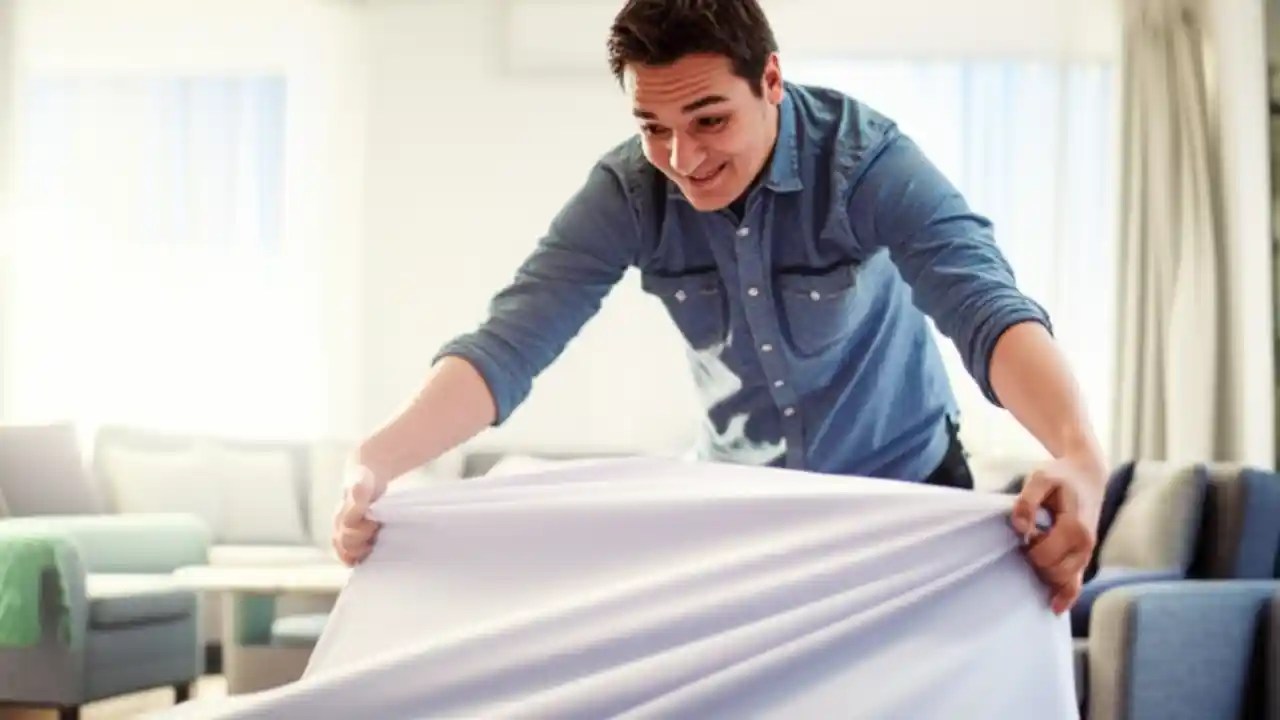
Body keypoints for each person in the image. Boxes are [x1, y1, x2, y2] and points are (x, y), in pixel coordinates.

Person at [333, 0, 1107, 614]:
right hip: (748, 506)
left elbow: (983, 305)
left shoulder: (865, 161)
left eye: (709, 120)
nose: (683, 159)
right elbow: (510, 343)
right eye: (653, 128)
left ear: (770, 80)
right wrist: (377, 462)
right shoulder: (630, 193)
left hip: (904, 496)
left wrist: (1077, 453)